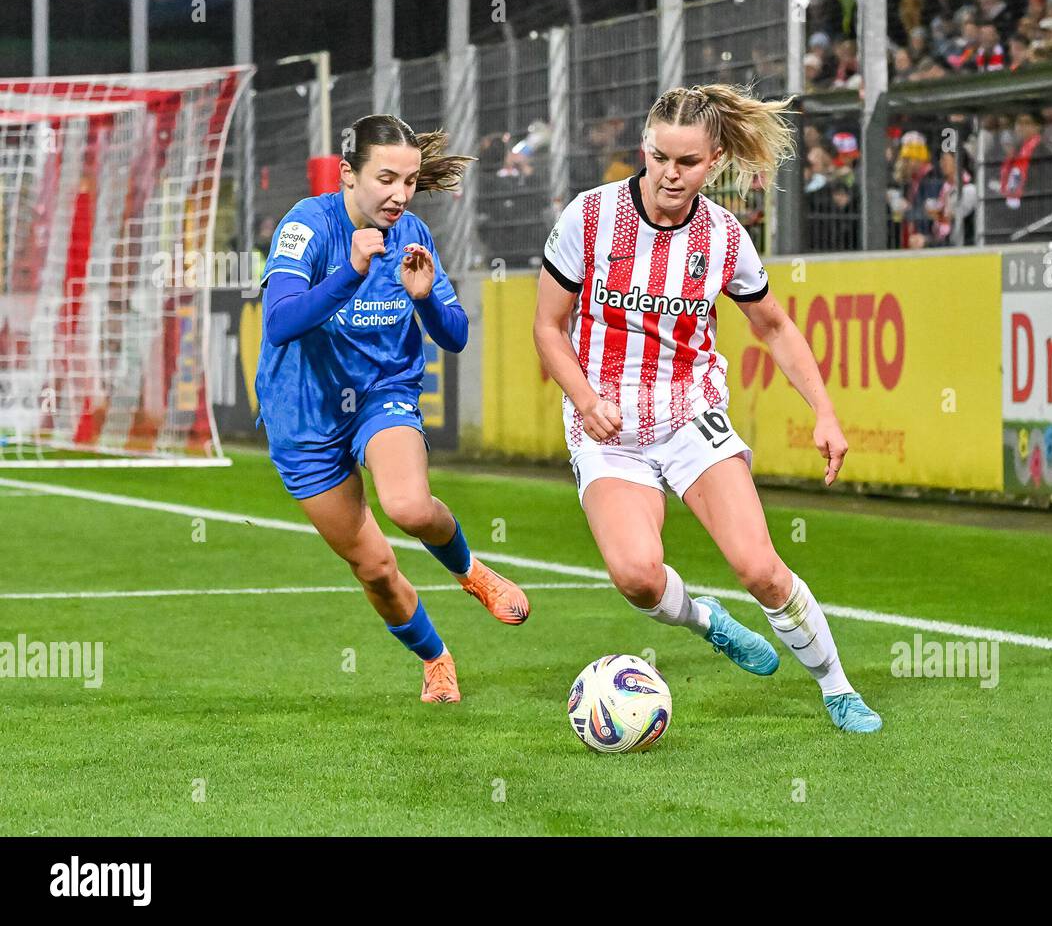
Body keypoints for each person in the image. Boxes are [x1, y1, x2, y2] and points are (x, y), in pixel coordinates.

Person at [533, 84, 882, 733]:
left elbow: (773, 326)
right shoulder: (589, 217)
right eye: (660, 156)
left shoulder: (722, 235)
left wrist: (825, 411)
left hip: (691, 413)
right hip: (608, 426)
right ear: (645, 147)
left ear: (713, 162)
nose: (669, 173)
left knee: (760, 567)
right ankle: (706, 620)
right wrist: (583, 398)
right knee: (637, 576)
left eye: (687, 162)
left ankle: (838, 688)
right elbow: (548, 328)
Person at [256, 114, 531, 704]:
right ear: (348, 175)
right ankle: (436, 658)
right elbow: (280, 322)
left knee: (407, 504)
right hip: (302, 414)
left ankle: (469, 571)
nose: (400, 195)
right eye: (386, 179)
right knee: (375, 568)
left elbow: (453, 337)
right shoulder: (307, 225)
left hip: (382, 393)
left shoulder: (413, 236)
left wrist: (427, 299)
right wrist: (351, 272)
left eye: (409, 181)